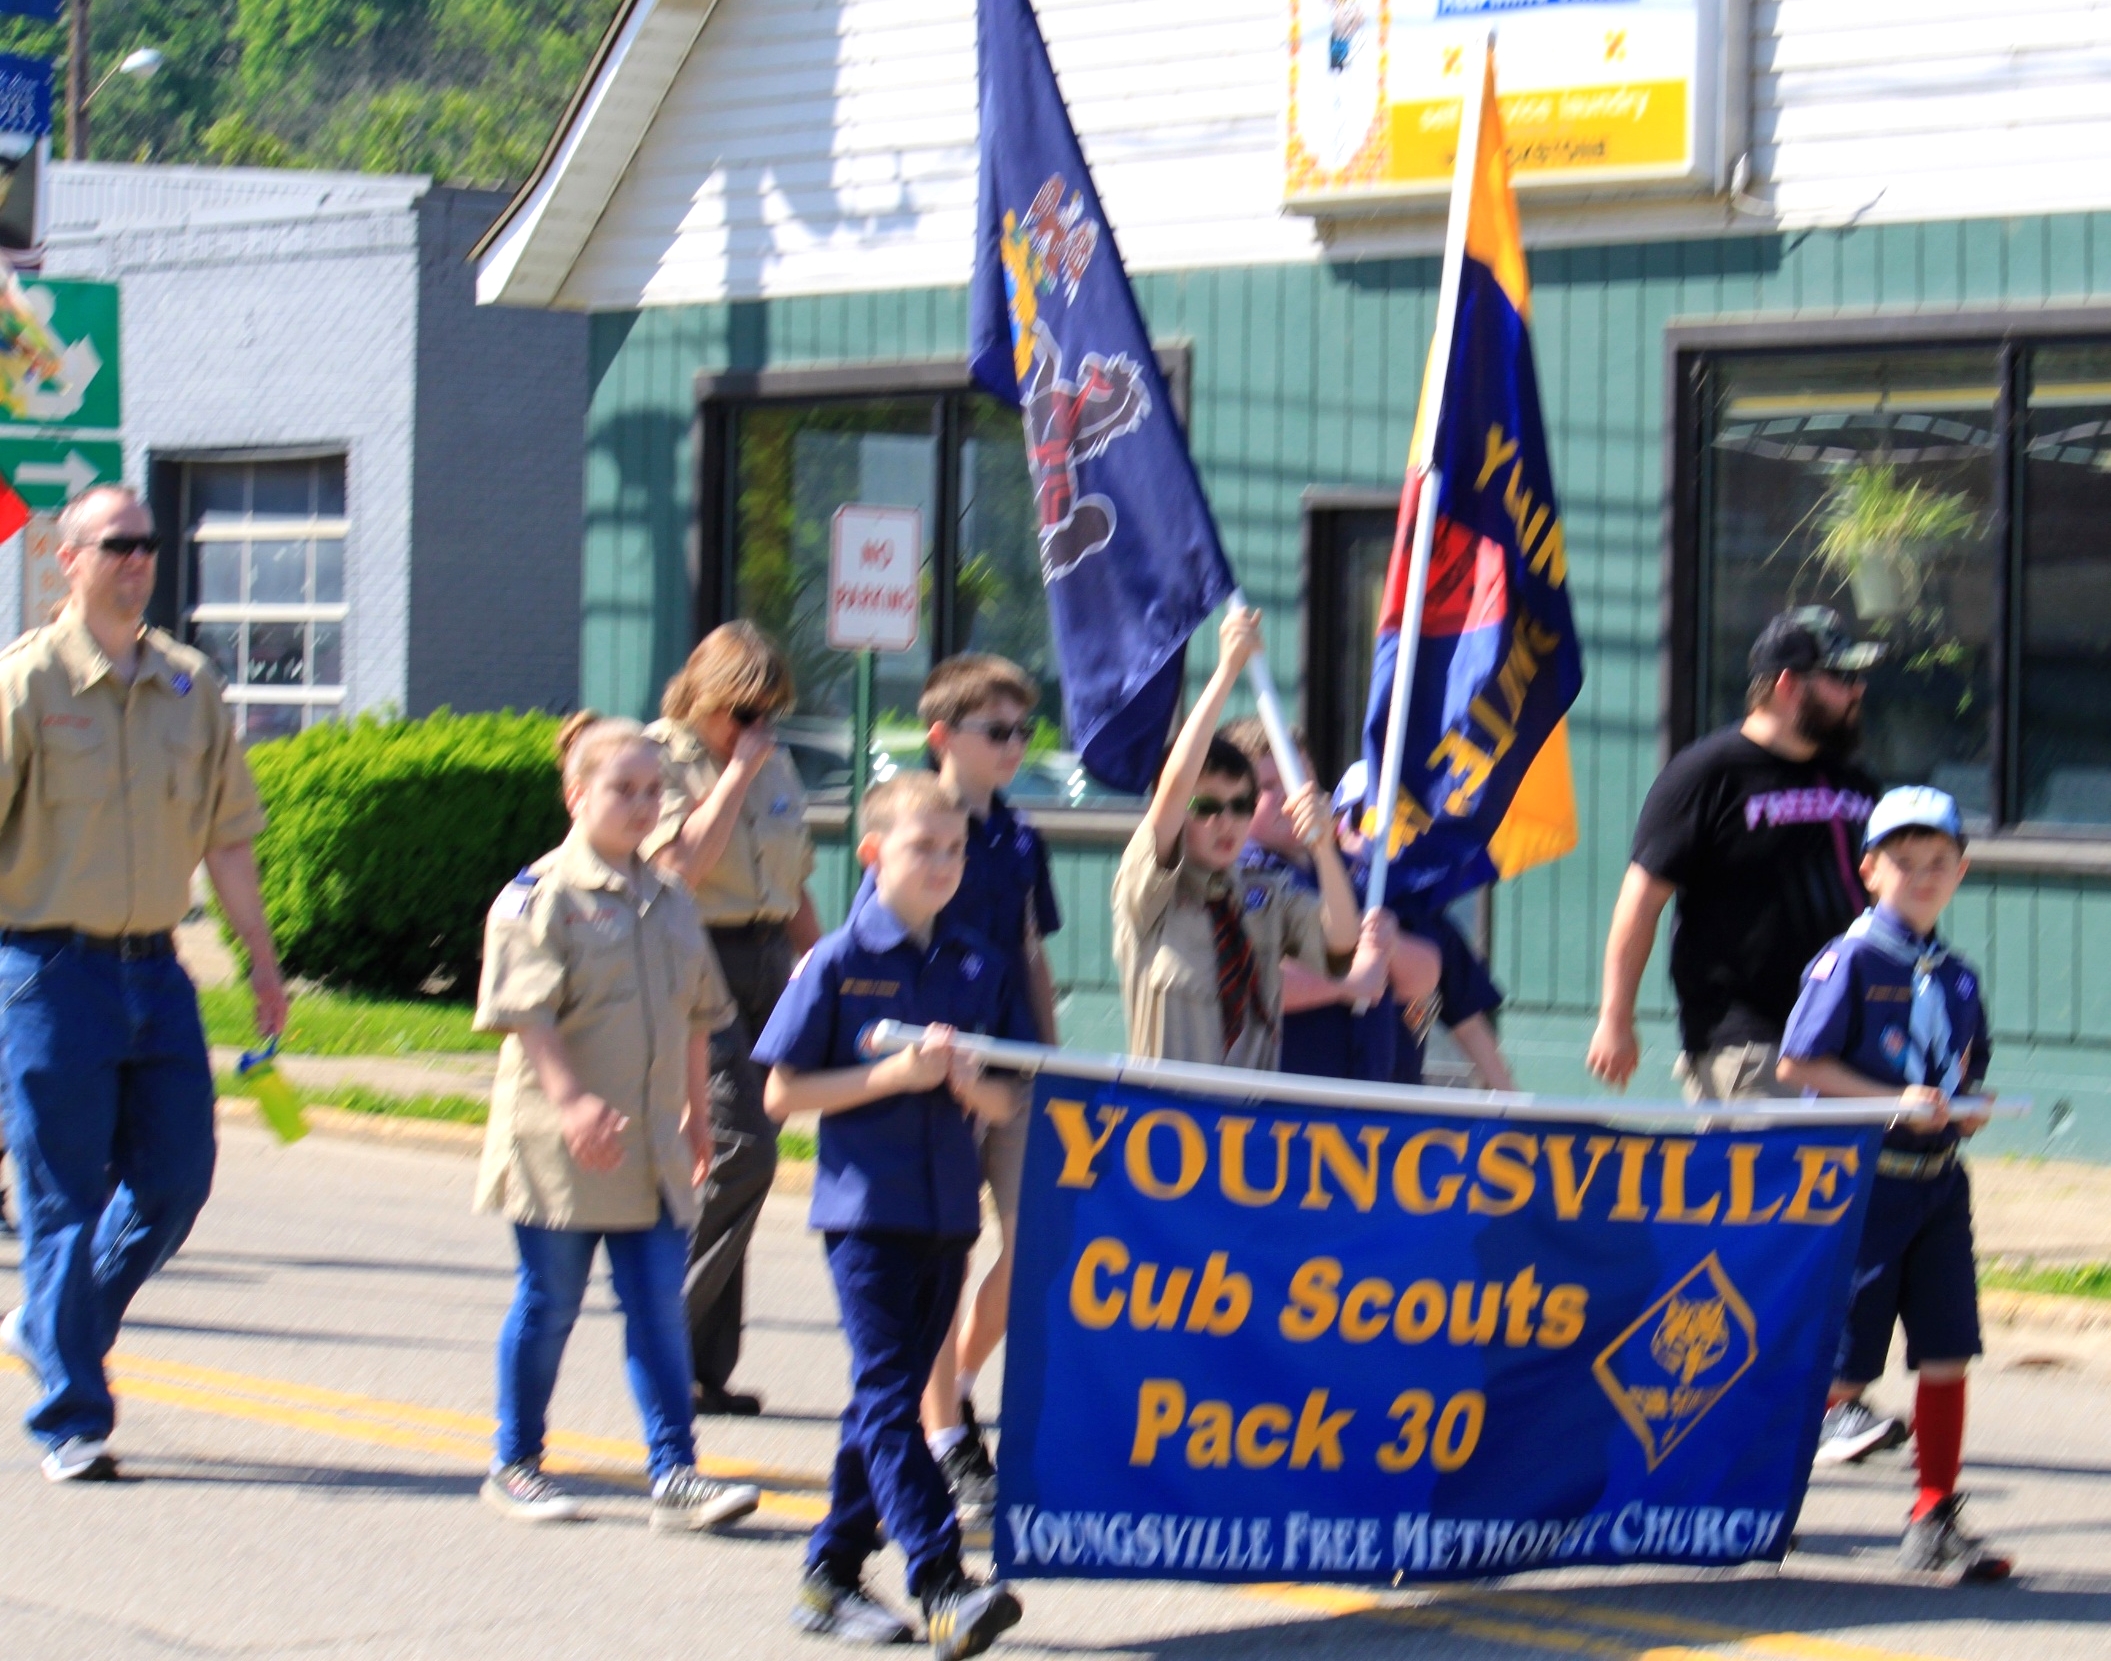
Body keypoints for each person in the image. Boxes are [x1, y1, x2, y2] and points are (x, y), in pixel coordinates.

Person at [0, 484, 286, 1483]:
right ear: (67, 558)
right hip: (47, 971)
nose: (137, 558)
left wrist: (258, 954)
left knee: (175, 1178)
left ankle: (52, 1319)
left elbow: (226, 834)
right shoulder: (26, 685)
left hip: (155, 971)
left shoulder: (189, 685)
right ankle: (71, 1417)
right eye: (116, 543)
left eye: (148, 544)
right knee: (63, 1200)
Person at [756, 770, 1034, 1657]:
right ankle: (942, 1580)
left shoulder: (977, 963)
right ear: (872, 853)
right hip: (865, 1213)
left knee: (880, 1401)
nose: (944, 863)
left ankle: (831, 1570)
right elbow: (780, 1090)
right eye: (924, 847)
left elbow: (1006, 1102)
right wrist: (891, 1077)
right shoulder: (838, 960)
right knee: (891, 1395)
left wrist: (962, 1083)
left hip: (948, 1214)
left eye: (955, 849)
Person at [472, 713, 763, 1534]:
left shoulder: (670, 898)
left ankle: (675, 1471)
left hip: (651, 1144)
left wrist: (697, 1114)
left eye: (652, 791)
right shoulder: (539, 897)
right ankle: (516, 1459)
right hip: (563, 1143)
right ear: (576, 795)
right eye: (622, 790)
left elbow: (699, 1010)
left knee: (656, 1306)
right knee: (549, 1300)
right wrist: (570, 1101)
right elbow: (526, 1015)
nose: (641, 805)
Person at [1777, 786, 2010, 1580]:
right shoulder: (1849, 960)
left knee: (1947, 1349)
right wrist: (1887, 1101)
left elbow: (1966, 1063)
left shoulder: (1957, 976)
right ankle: (1752, 1493)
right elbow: (1797, 1062)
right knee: (1840, 1363)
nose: (1921, 875)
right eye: (1903, 862)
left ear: (1960, 871)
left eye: (1938, 862)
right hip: (1866, 1184)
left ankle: (1932, 1512)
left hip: (1938, 1182)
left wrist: (1968, 1105)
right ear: (1869, 870)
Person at [879, 657, 1060, 1524]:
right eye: (997, 731)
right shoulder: (917, 827)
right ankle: (947, 1435)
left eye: (1022, 731)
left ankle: (949, 1384)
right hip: (940, 1062)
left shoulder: (1021, 836)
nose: (1014, 746)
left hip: (1015, 1060)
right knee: (946, 1254)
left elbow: (1030, 948)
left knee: (1033, 1247)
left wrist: (1052, 1053)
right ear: (943, 736)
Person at [1587, 606, 1883, 1101]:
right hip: (1750, 1041)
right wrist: (1616, 1019)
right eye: (1842, 677)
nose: (1858, 691)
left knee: (1854, 1180)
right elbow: (1641, 899)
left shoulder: (1854, 781)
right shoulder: (1708, 774)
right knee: (1772, 1179)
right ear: (1788, 685)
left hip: (1848, 1031)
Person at [646, 622, 821, 1417]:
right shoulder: (659, 757)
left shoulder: (773, 760)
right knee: (735, 1150)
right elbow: (681, 865)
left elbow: (794, 878)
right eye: (741, 712)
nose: (756, 729)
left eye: (768, 714)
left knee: (746, 1155)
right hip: (695, 957)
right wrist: (734, 774)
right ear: (707, 695)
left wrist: (823, 965)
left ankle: (704, 1367)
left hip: (767, 958)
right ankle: (661, 1345)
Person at [1113, 607, 1364, 1068]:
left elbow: (1343, 941)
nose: (1224, 821)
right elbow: (1172, 790)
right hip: (1167, 1123)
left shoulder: (1265, 895)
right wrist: (1227, 671)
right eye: (1206, 808)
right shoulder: (1149, 897)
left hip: (1250, 1128)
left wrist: (1325, 850)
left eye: (1240, 806)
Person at [1217, 717, 1425, 1082]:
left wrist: (1388, 945)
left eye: (1299, 778)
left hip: (1366, 1098)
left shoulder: (1357, 872)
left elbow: (1425, 977)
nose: (1289, 795)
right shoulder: (1234, 875)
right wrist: (1344, 984)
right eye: (1267, 786)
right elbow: (1246, 980)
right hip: (1281, 1098)